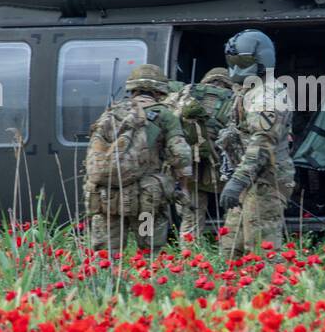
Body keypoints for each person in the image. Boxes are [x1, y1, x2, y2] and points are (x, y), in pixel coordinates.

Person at [83, 63, 193, 252]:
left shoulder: (111, 113)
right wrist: (184, 187)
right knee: (149, 251)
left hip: (108, 197)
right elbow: (181, 154)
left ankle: (106, 281)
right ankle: (147, 281)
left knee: (105, 254)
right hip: (146, 200)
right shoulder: (165, 116)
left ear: (132, 89)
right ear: (160, 91)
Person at [217, 30, 296, 257]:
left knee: (262, 250)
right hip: (248, 178)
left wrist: (237, 182)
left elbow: (262, 143)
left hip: (266, 180)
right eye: (232, 61)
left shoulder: (268, 95)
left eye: (243, 61)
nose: (236, 67)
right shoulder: (248, 91)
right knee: (231, 247)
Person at [165, 67, 237, 244]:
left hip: (192, 167)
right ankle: (231, 257)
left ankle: (190, 257)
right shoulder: (236, 98)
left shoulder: (186, 93)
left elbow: (167, 120)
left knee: (191, 217)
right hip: (223, 167)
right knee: (233, 215)